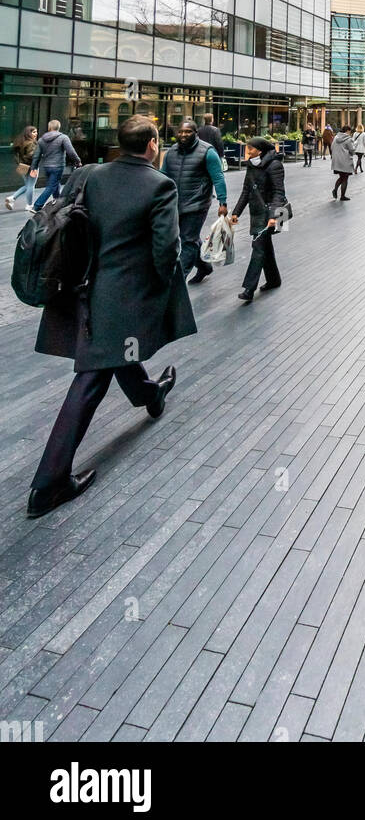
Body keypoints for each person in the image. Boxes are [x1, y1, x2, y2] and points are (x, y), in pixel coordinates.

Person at [26, 115, 195, 519]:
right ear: (153, 144)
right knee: (91, 378)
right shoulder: (159, 185)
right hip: (124, 295)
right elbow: (165, 250)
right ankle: (48, 484)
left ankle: (150, 393)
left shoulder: (91, 175)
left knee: (114, 354)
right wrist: (159, 292)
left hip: (83, 286)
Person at [162, 118, 228, 285]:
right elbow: (162, 176)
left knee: (187, 241)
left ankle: (178, 282)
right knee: (189, 238)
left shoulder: (207, 152)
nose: (183, 135)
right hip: (175, 203)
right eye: (181, 131)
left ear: (195, 133)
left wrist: (223, 202)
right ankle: (205, 267)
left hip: (197, 204)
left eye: (188, 132)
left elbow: (218, 178)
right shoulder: (171, 152)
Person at [231, 138, 287, 303]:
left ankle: (249, 288)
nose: (248, 151)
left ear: (260, 150)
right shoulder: (251, 164)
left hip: (272, 212)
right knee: (264, 246)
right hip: (256, 212)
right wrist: (236, 212)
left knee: (258, 247)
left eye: (250, 148)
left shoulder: (275, 165)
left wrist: (273, 216)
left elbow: (279, 192)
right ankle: (274, 280)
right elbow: (246, 190)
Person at [29, 120, 82, 212]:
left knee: (55, 184)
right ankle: (37, 206)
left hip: (46, 167)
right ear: (58, 127)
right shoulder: (63, 138)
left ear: (49, 127)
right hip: (58, 166)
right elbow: (71, 151)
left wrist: (33, 168)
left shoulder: (41, 139)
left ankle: (58, 203)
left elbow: (36, 155)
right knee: (51, 186)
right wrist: (78, 161)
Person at [6, 125, 38, 211]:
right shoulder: (31, 143)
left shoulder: (21, 142)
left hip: (22, 166)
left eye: (36, 132)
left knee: (27, 185)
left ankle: (12, 198)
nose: (36, 134)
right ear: (28, 133)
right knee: (31, 186)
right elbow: (32, 156)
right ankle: (29, 205)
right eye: (34, 132)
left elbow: (17, 156)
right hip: (31, 166)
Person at [330, 124, 355, 201]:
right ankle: (342, 196)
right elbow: (352, 150)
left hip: (336, 161)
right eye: (350, 132)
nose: (350, 133)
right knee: (345, 178)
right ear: (347, 131)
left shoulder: (336, 137)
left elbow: (331, 147)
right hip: (345, 161)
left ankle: (335, 189)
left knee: (341, 177)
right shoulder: (348, 139)